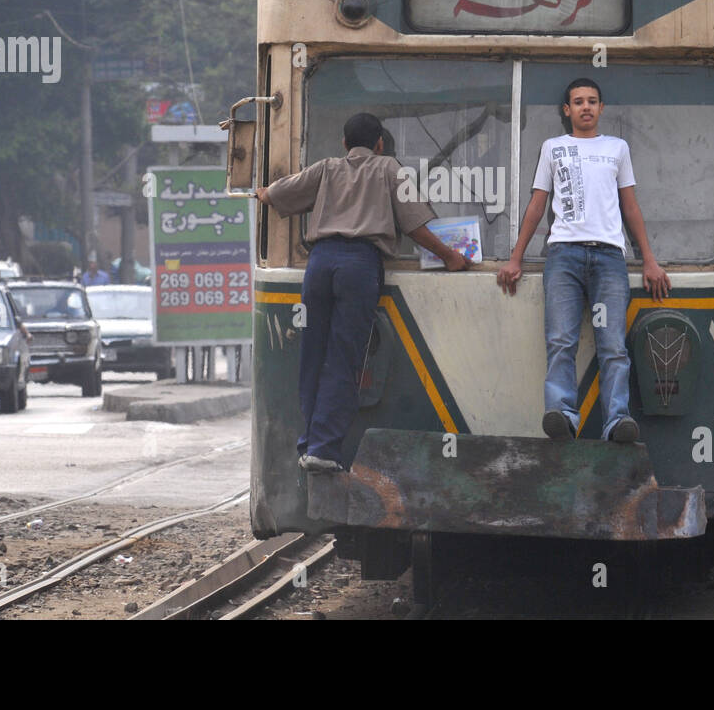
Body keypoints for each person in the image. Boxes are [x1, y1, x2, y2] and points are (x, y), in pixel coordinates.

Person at [256, 112, 472, 472]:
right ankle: (324, 449)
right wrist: (450, 256)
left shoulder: (327, 168)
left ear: (344, 143)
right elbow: (415, 225)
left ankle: (309, 445)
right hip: (359, 265)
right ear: (380, 143)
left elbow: (275, 194)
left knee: (313, 355)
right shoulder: (389, 169)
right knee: (344, 357)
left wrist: (263, 192)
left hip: (320, 264)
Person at [496, 78, 670, 443]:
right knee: (561, 340)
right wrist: (516, 257)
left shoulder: (617, 149)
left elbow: (630, 206)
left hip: (609, 257)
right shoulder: (553, 148)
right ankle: (562, 414)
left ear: (601, 108)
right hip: (563, 256)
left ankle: (615, 422)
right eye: (578, 102)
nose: (586, 107)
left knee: (613, 346)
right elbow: (537, 204)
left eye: (592, 101)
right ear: (567, 110)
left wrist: (649, 260)